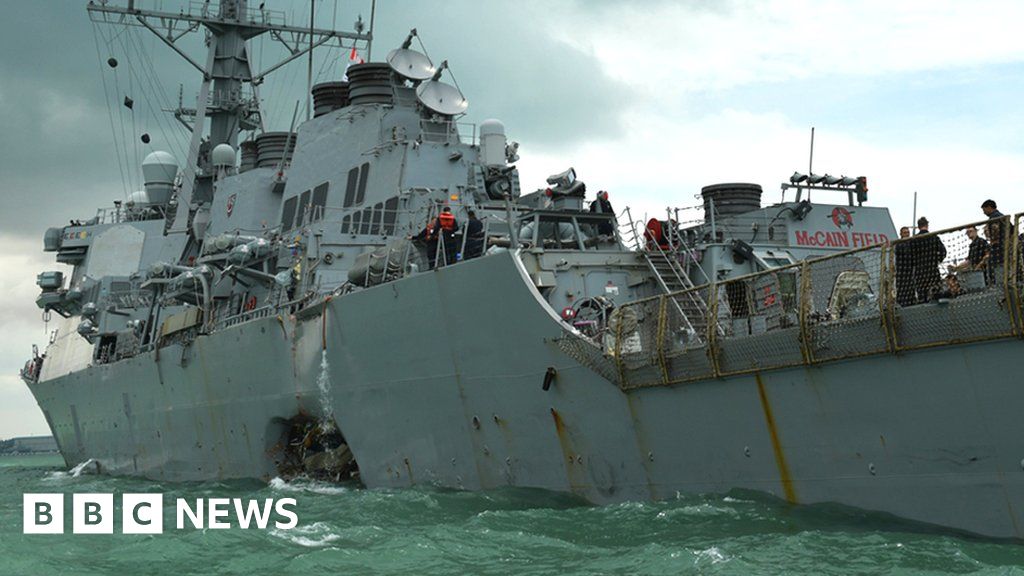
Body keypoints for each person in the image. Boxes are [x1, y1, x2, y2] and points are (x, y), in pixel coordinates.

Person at [910, 217, 946, 302]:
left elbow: (910, 256)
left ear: (918, 226)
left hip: (920, 271)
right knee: (936, 293)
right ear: (927, 225)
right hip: (932, 269)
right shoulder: (934, 237)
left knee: (922, 295)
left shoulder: (913, 240)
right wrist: (937, 260)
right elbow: (943, 252)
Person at [894, 226, 915, 306]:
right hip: (902, 273)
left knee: (910, 291)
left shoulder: (911, 244)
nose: (907, 234)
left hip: (910, 273)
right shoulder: (899, 244)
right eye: (905, 233)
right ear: (901, 234)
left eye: (908, 232)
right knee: (902, 292)